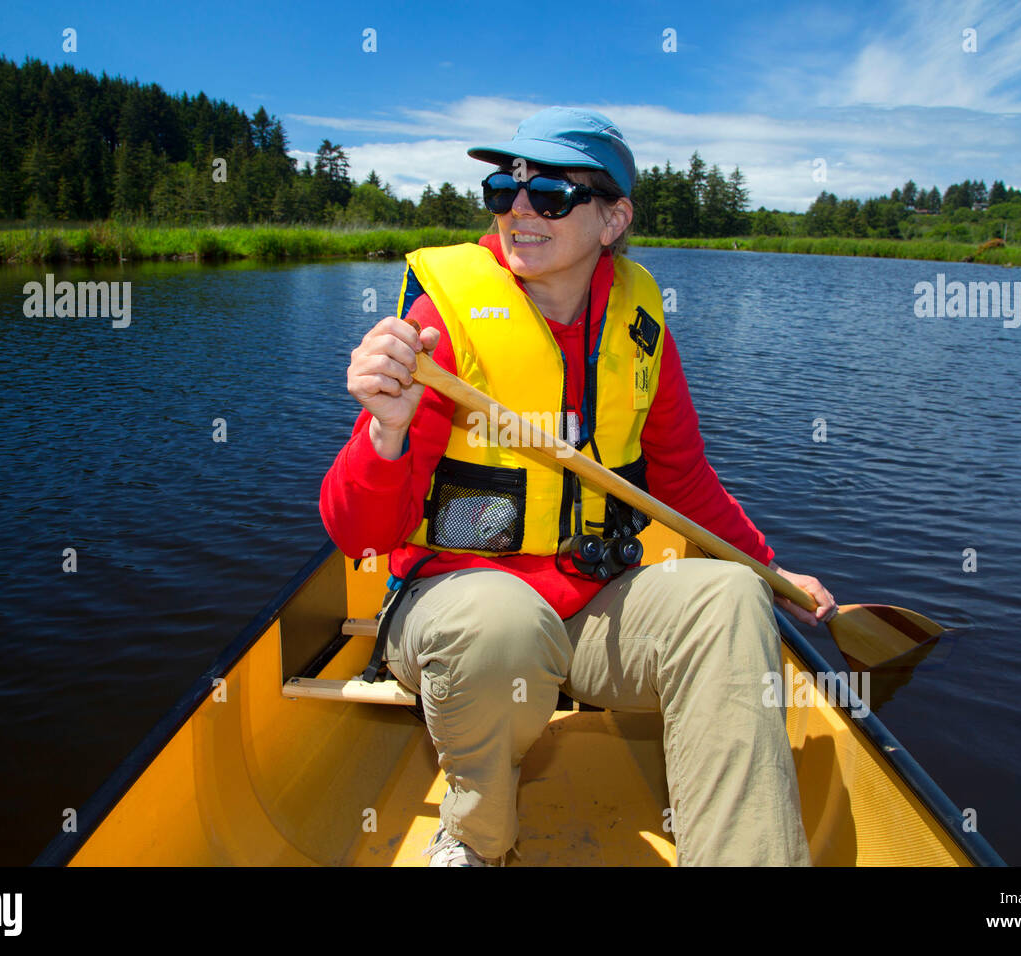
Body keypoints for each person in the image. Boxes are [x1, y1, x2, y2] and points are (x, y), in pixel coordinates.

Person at [320, 107, 836, 866]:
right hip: (462, 613)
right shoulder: (441, 326)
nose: (519, 209)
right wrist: (384, 432)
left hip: (591, 606)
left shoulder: (637, 327)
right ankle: (476, 837)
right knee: (504, 623)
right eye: (504, 188)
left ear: (612, 218)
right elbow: (357, 535)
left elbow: (684, 480)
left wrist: (771, 568)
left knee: (730, 599)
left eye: (551, 194)